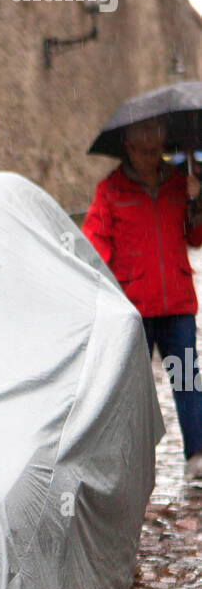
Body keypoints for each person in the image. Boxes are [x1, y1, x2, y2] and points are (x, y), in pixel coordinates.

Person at [83, 116, 202, 479]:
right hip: (133, 306)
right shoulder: (111, 191)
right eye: (144, 150)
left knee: (186, 379)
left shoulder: (180, 185)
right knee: (131, 389)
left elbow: (194, 238)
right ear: (129, 150)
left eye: (156, 150)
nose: (151, 157)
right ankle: (130, 460)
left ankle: (197, 453)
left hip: (177, 303)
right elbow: (94, 243)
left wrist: (197, 203)